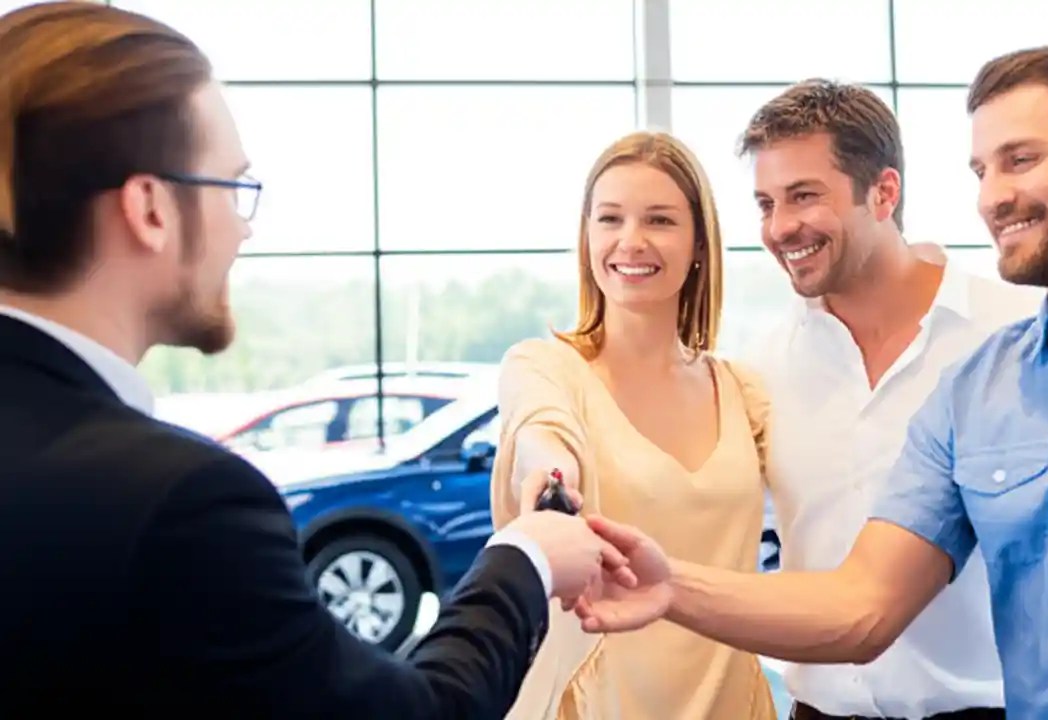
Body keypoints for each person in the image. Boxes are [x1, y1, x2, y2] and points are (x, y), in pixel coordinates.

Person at [575, 42, 1048, 720]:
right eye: (981, 172)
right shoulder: (975, 388)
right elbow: (863, 605)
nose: (994, 197)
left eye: (1021, 160)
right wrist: (669, 585)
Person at [0, 4, 640, 718]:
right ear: (149, 209)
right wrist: (528, 558)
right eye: (233, 188)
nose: (243, 230)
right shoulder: (181, 502)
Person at [736, 79, 1040, 720]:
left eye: (804, 196)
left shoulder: (1017, 333)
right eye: (765, 203)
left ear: (884, 192)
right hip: (817, 711)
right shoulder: (760, 367)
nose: (779, 227)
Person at [490, 130, 776, 719]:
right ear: (587, 235)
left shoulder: (743, 393)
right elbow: (544, 432)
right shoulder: (547, 366)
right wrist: (553, 484)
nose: (630, 241)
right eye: (610, 218)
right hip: (595, 702)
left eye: (660, 220)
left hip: (730, 699)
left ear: (700, 241)